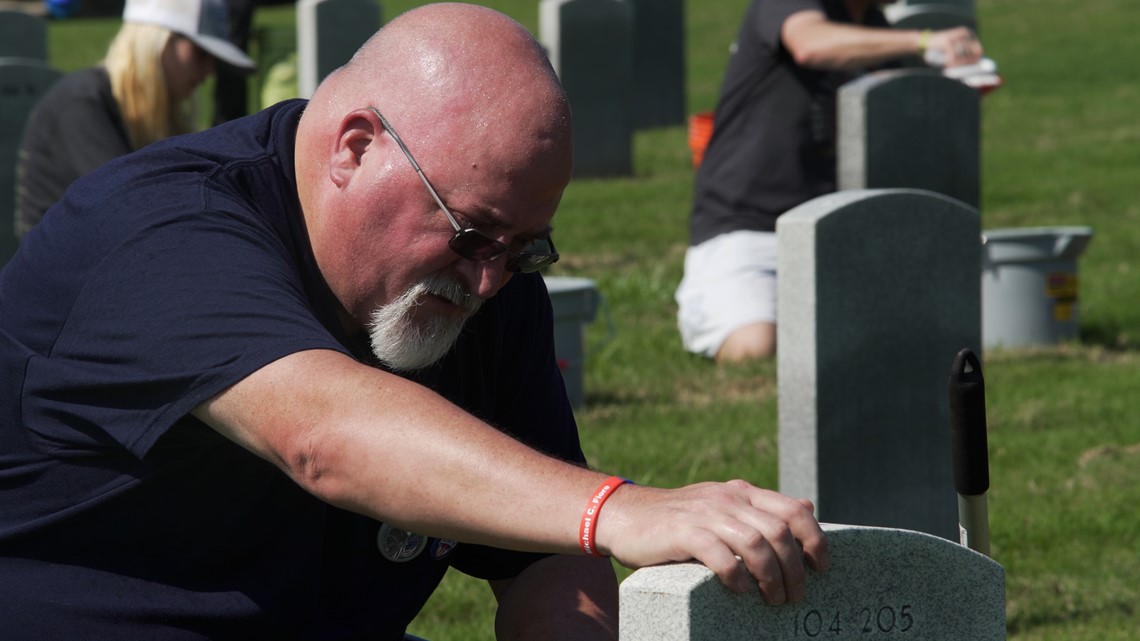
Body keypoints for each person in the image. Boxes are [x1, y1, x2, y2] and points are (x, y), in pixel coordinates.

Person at [0, 4, 829, 639]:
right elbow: (322, 433)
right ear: (354, 147)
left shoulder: (485, 279)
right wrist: (618, 509)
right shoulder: (161, 232)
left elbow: (543, 563)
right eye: (470, 232)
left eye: (524, 246)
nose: (488, 277)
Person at [675, 0, 984, 363]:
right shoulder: (789, 5)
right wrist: (922, 41)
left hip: (842, 233)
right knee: (755, 347)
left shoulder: (876, 27)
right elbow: (810, 44)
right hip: (749, 227)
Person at [13, 0, 256, 239]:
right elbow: (132, 207)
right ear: (158, 41)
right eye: (201, 53)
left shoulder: (143, 111)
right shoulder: (82, 102)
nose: (210, 70)